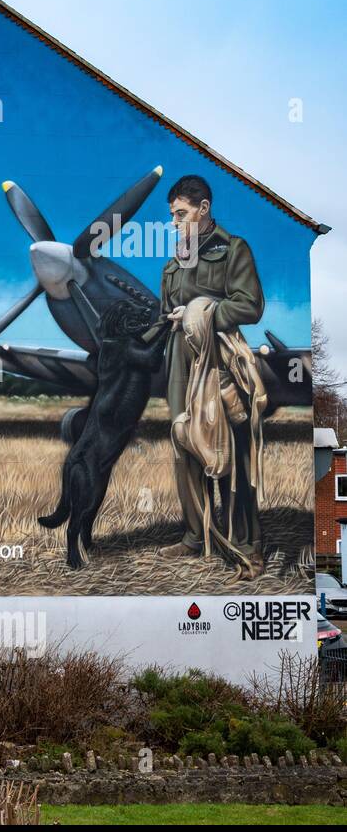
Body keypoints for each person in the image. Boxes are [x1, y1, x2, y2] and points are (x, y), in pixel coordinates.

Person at [158, 174, 266, 580]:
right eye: (172, 215)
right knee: (185, 441)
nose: (175, 221)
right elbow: (164, 311)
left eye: (181, 213)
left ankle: (245, 545)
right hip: (179, 364)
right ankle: (195, 535)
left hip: (218, 357)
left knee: (230, 448)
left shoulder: (234, 249)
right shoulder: (172, 264)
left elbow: (250, 304)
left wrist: (201, 313)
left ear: (203, 210)